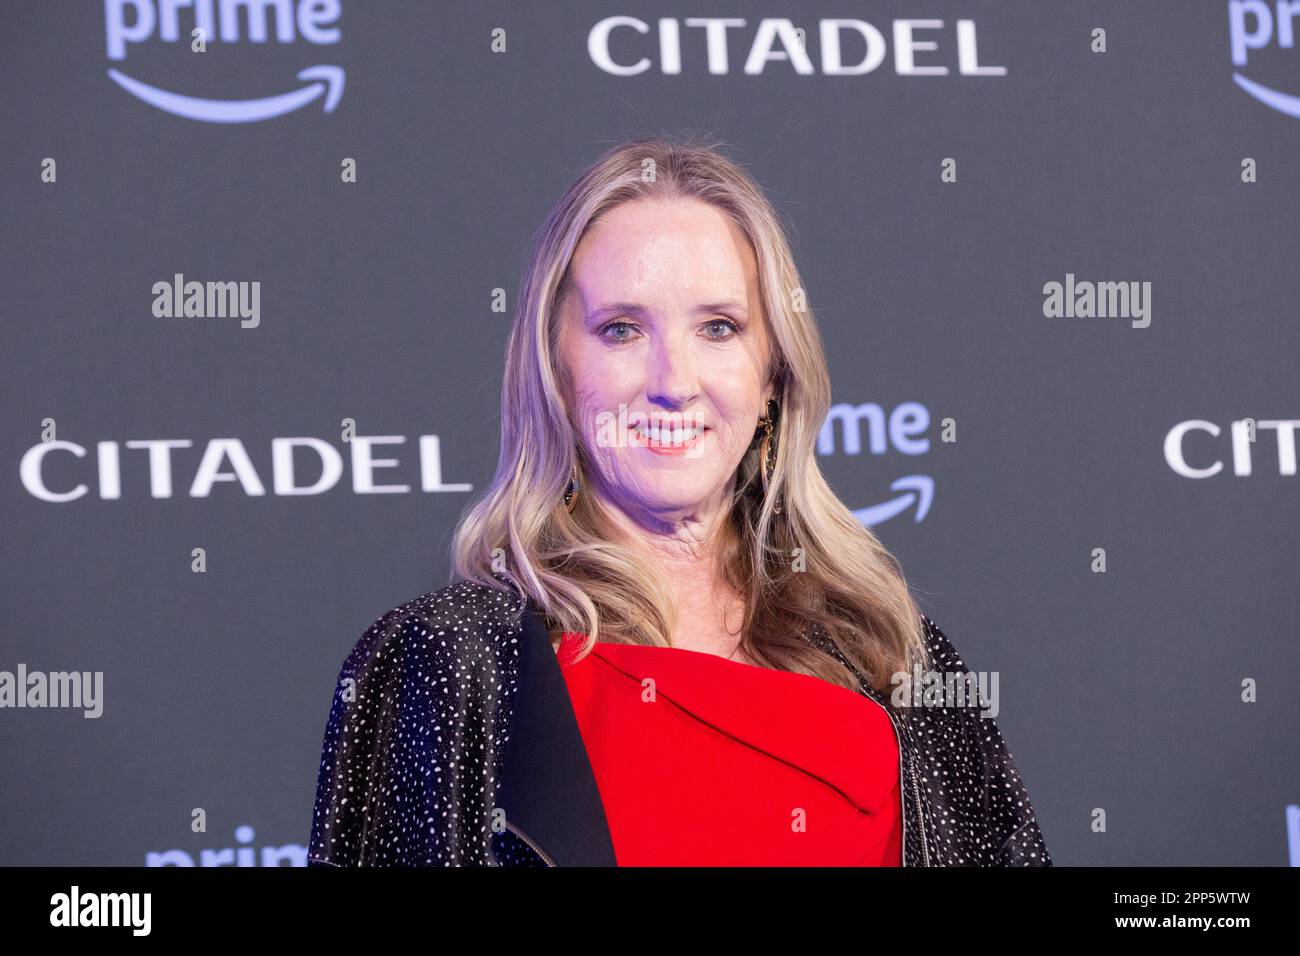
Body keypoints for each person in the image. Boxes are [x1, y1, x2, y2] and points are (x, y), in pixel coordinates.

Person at [307, 135, 1052, 867]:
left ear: (772, 376)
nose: (674, 379)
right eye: (622, 329)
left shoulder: (889, 649)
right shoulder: (455, 662)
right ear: (555, 371)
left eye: (718, 328)